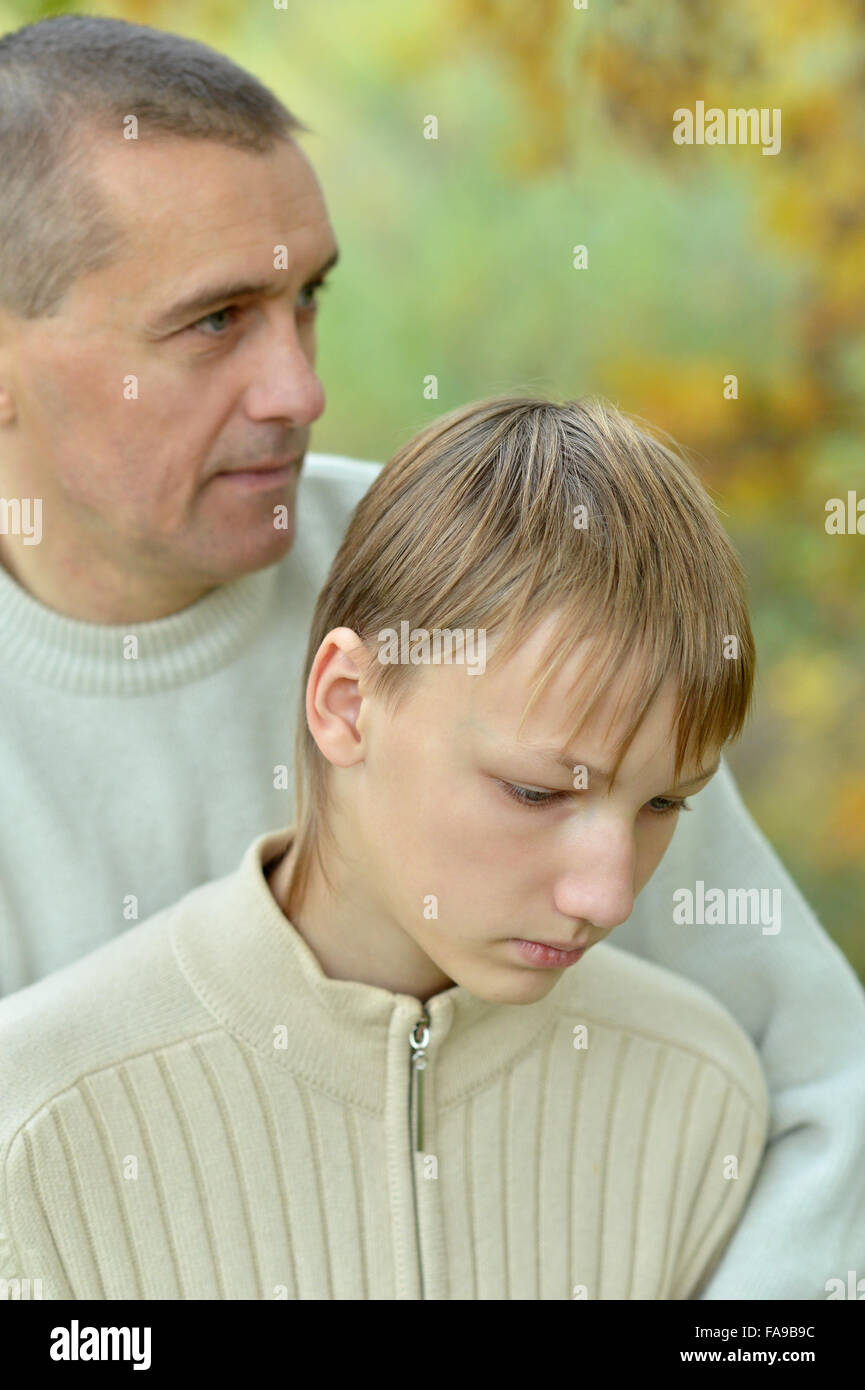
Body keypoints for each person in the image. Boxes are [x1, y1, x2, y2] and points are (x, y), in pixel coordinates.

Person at [0, 15, 861, 1301]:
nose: (299, 388)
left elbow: (824, 1097)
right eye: (217, 320)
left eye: (308, 300)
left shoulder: (487, 587)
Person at [0, 397, 772, 1300]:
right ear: (345, 703)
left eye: (664, 802)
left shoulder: (699, 1093)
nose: (607, 898)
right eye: (534, 790)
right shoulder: (38, 1117)